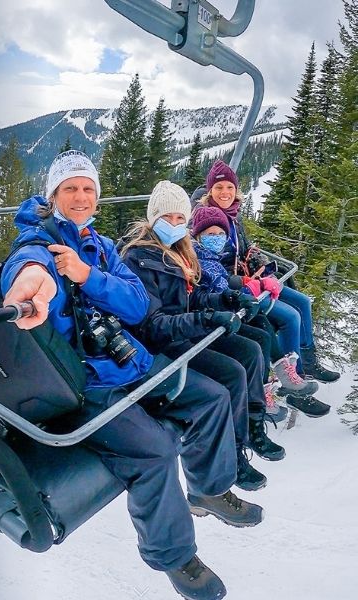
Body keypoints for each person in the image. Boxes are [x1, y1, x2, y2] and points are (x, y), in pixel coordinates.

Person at [2, 150, 262, 600]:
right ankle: (174, 556)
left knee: (212, 397)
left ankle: (209, 489)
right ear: (54, 196)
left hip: (130, 360)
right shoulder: (38, 245)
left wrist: (87, 277)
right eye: (70, 188)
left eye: (88, 188)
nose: (81, 196)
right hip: (86, 380)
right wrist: (29, 282)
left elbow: (137, 303)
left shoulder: (98, 247)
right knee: (156, 452)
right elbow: (27, 269)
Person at [121, 181, 285, 470]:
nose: (173, 224)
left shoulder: (178, 251)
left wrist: (227, 299)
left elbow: (191, 295)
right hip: (167, 341)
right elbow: (153, 325)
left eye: (179, 218)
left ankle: (254, 427)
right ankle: (234, 453)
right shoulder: (139, 259)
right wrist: (207, 318)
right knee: (232, 373)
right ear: (152, 219)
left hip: (186, 329)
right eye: (166, 217)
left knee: (250, 351)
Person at [193, 160, 339, 398]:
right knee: (290, 316)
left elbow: (248, 249)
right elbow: (211, 267)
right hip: (237, 285)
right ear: (210, 191)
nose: (225, 193)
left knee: (301, 301)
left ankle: (309, 362)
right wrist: (249, 282)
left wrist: (265, 270)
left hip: (249, 277)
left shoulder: (233, 217)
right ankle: (297, 379)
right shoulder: (204, 219)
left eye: (230, 187)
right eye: (219, 188)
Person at [190, 206, 319, 417]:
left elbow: (229, 272)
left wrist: (250, 278)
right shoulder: (201, 257)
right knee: (265, 333)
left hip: (228, 301)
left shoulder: (223, 241)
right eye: (210, 235)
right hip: (214, 312)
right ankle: (264, 393)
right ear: (198, 235)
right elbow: (218, 286)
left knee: (266, 323)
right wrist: (251, 286)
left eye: (221, 234)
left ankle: (287, 372)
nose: (217, 238)